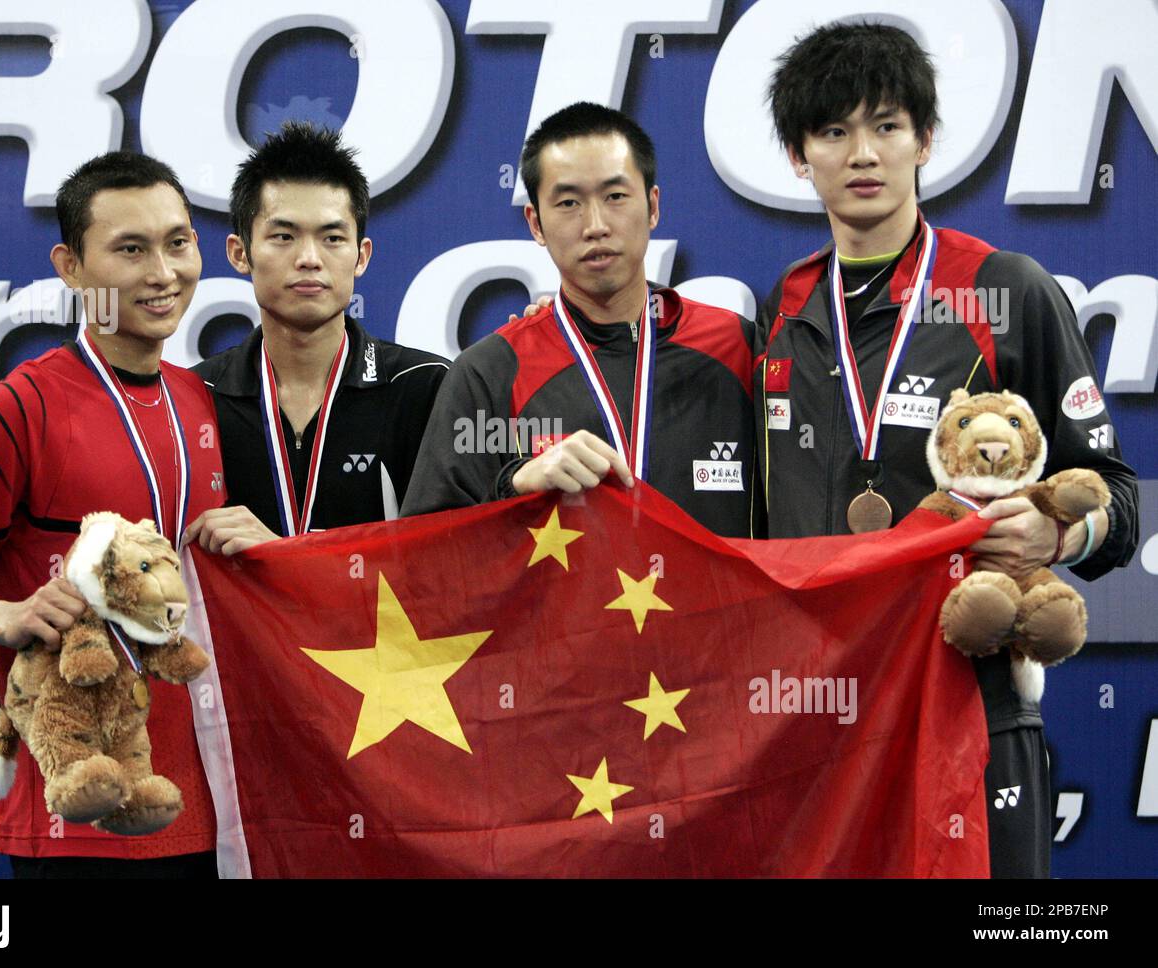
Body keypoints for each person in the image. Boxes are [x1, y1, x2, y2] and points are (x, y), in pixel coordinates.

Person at [757, 22, 1139, 877]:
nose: (863, 153)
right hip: (812, 715)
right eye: (833, 131)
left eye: (887, 125)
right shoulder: (777, 316)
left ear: (925, 140)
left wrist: (1058, 538)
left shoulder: (1007, 289)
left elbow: (1118, 493)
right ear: (797, 155)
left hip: (973, 702)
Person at [0, 152, 227, 878]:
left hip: (201, 806)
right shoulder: (17, 409)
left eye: (178, 242)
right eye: (130, 249)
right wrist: (1, 617)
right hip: (77, 812)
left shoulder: (201, 401)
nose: (162, 271)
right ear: (70, 267)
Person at [402, 102, 758, 537]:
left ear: (652, 206)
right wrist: (514, 484)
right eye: (569, 202)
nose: (595, 225)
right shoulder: (492, 374)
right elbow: (427, 551)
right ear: (535, 223)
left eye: (615, 196)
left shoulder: (737, 346)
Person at [184, 122, 448, 553]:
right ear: (239, 253)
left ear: (360, 256)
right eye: (283, 237)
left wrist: (291, 556)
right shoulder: (193, 398)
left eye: (332, 238)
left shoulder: (427, 387)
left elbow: (457, 557)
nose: (309, 259)